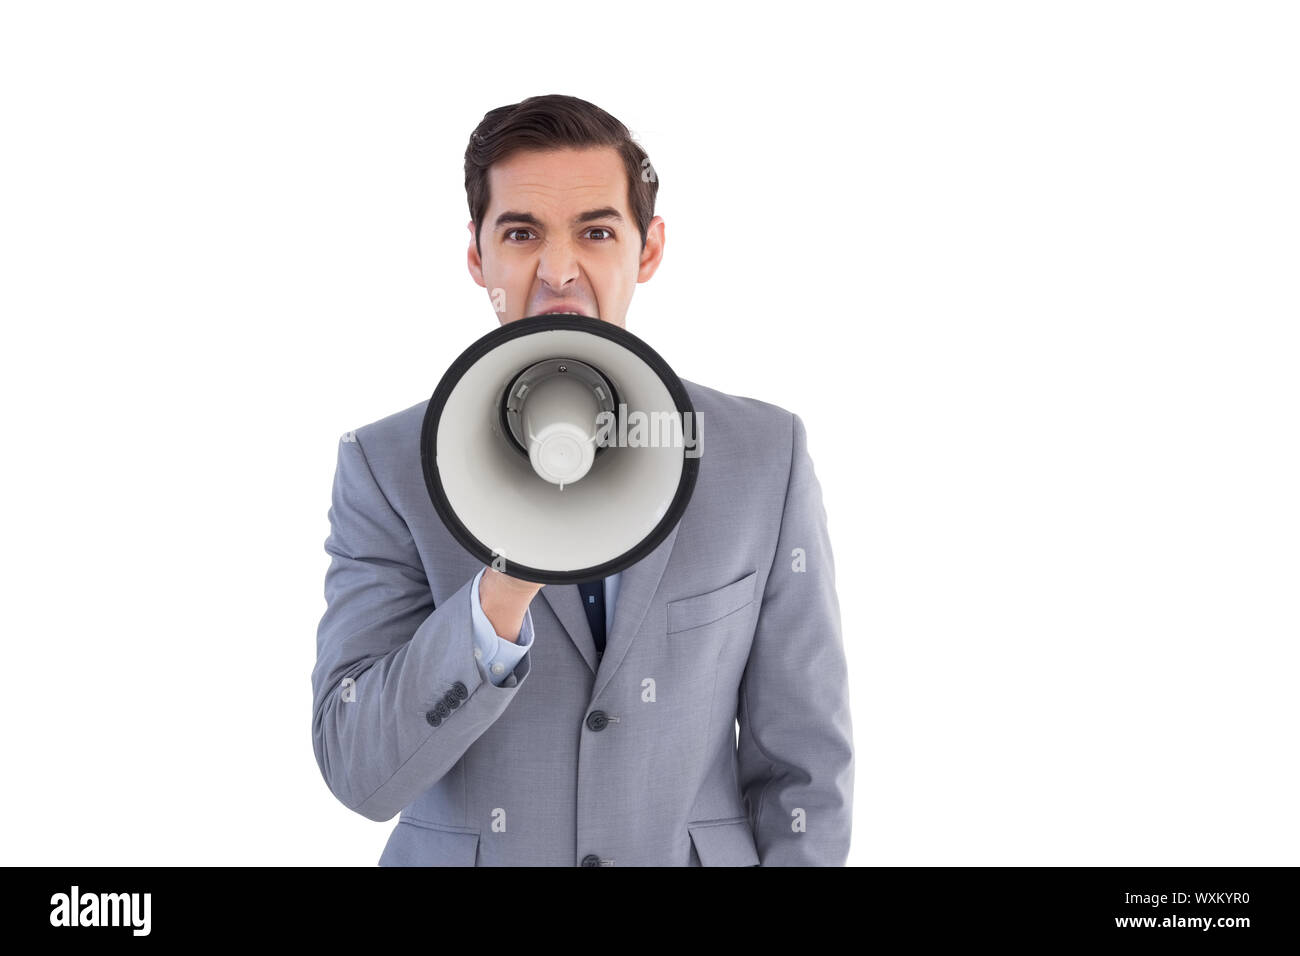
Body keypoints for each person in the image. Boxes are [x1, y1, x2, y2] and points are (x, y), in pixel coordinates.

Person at [311, 94, 853, 865]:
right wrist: (497, 600)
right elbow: (359, 772)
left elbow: (807, 768)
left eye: (596, 232)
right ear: (477, 255)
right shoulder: (387, 465)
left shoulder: (765, 454)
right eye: (522, 233)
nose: (559, 270)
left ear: (649, 249)